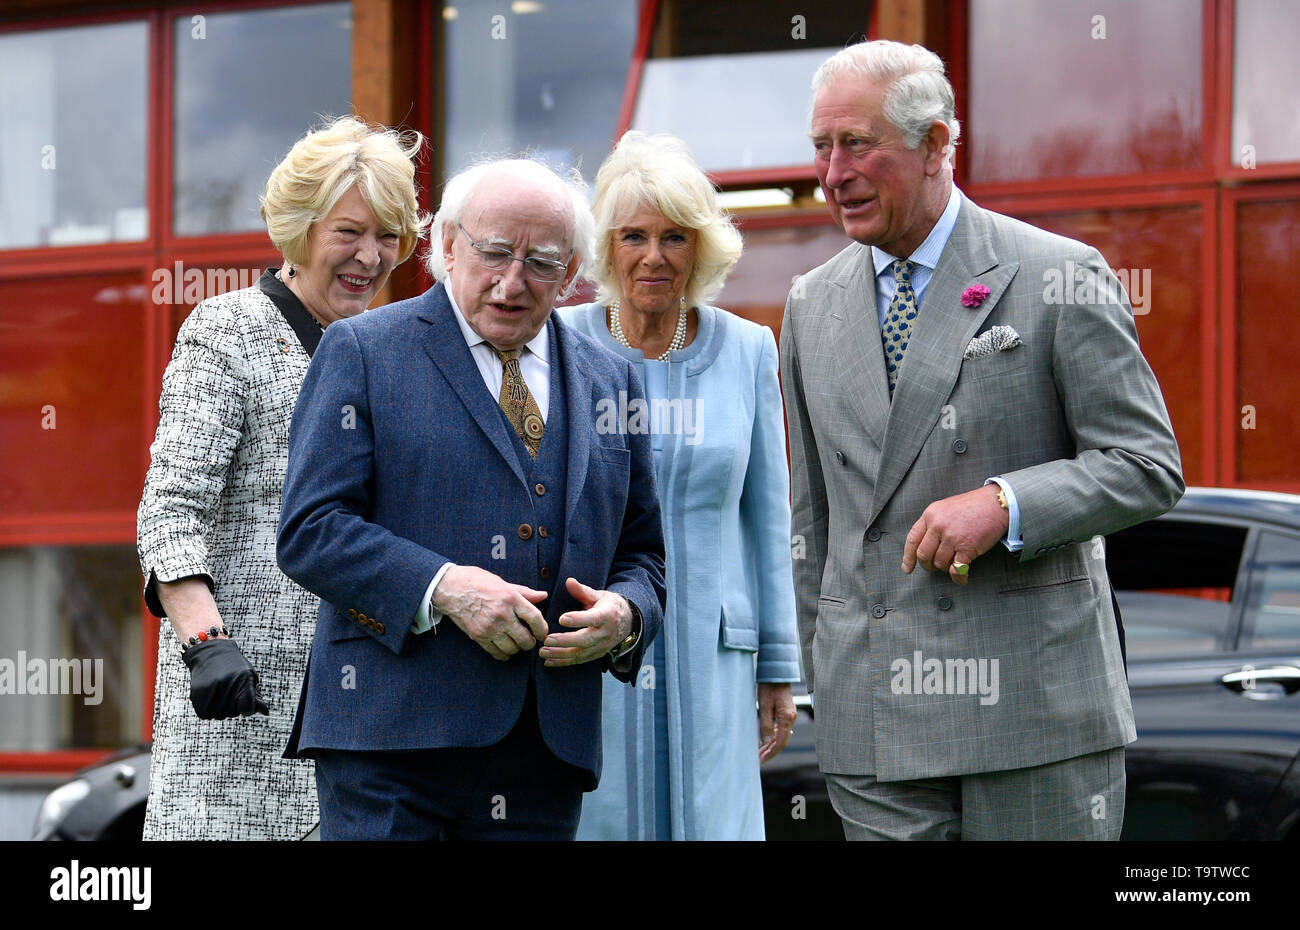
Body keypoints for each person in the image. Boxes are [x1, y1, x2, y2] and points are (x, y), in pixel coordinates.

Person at [780, 40, 1184, 840]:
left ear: (936, 144)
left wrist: (1006, 504)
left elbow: (1146, 466)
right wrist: (817, 675)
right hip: (872, 726)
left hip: (1032, 717)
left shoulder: (1058, 274)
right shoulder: (808, 304)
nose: (833, 173)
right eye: (821, 147)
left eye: (857, 144)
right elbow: (813, 517)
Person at [276, 157, 667, 841]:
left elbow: (643, 554)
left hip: (544, 755)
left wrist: (626, 615)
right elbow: (312, 530)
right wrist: (445, 588)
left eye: (540, 263)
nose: (512, 283)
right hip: (389, 748)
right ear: (449, 247)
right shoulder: (361, 350)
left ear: (571, 272)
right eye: (494, 253)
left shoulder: (613, 382)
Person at [136, 116, 426, 839]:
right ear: (299, 229)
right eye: (348, 232)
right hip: (242, 719)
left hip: (371, 718)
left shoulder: (396, 350)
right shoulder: (226, 330)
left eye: (388, 235)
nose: (370, 256)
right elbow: (170, 509)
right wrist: (207, 642)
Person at [558, 131, 800, 840]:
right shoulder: (559, 344)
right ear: (606, 246)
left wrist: (779, 666)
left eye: (675, 237)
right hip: (593, 645)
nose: (654, 256)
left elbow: (768, 519)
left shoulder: (749, 348)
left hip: (715, 657)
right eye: (633, 235)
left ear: (701, 248)